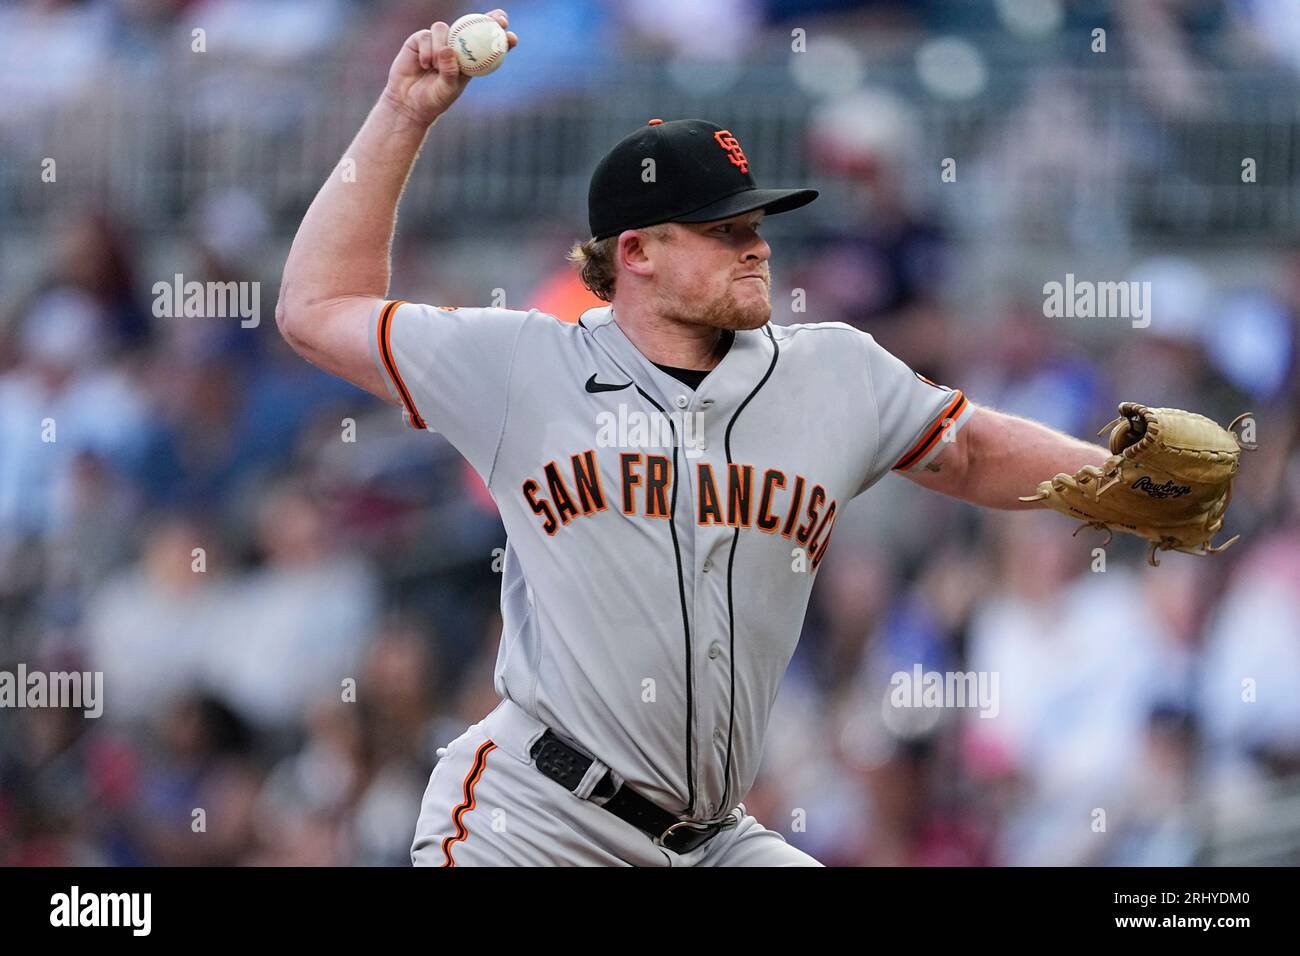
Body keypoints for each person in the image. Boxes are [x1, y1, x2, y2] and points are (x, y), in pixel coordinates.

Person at [275, 10, 1109, 866]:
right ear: (636, 252)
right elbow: (315, 309)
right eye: (725, 232)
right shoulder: (521, 363)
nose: (758, 248)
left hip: (715, 840)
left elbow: (969, 450)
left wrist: (1123, 484)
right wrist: (403, 114)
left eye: (756, 225)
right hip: (535, 822)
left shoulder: (833, 371)